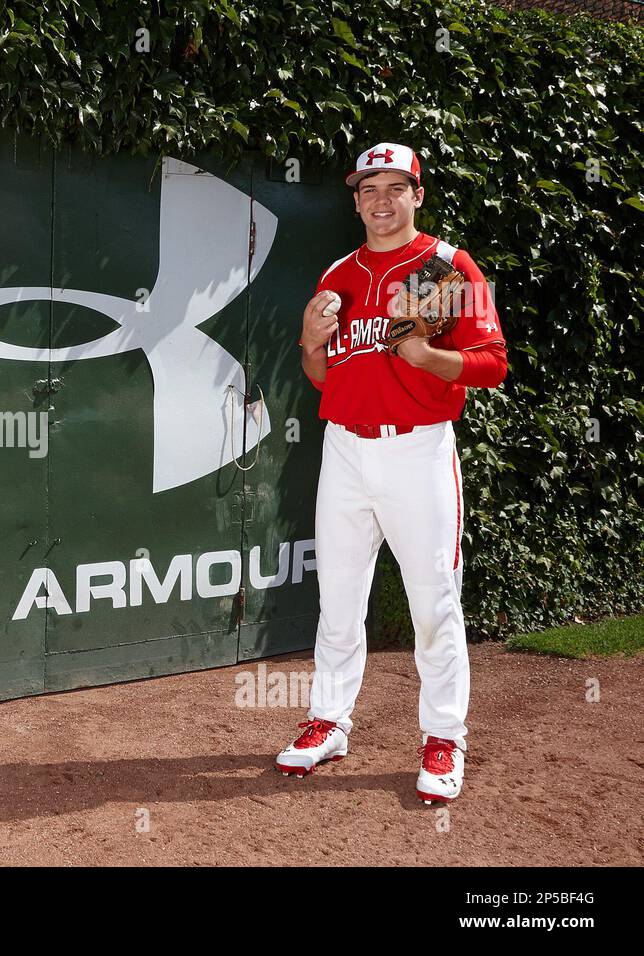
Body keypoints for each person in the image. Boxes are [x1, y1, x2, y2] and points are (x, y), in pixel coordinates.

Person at [275, 142, 507, 804]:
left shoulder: (448, 266)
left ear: (418, 195)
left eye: (395, 188)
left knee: (433, 602)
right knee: (339, 598)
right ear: (355, 201)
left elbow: (493, 363)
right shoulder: (338, 273)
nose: (381, 200)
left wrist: (428, 356)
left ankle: (443, 736)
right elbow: (322, 378)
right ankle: (329, 720)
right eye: (369, 189)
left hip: (417, 451)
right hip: (344, 448)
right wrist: (309, 342)